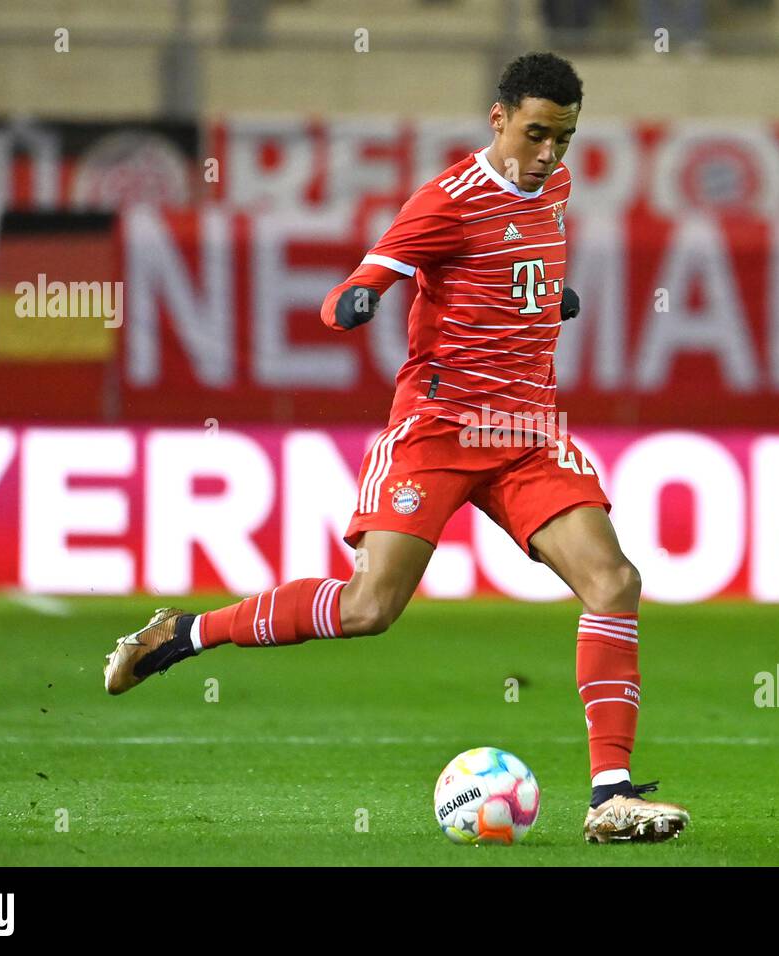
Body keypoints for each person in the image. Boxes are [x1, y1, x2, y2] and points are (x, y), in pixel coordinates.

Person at [102, 51, 690, 844]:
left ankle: (610, 795)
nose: (551, 153)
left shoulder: (553, 186)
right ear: (500, 119)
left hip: (524, 435)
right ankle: (185, 634)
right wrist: (355, 300)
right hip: (439, 431)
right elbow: (372, 275)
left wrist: (550, 294)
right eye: (538, 133)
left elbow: (522, 260)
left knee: (615, 582)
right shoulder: (446, 199)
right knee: (369, 607)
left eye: (566, 138)